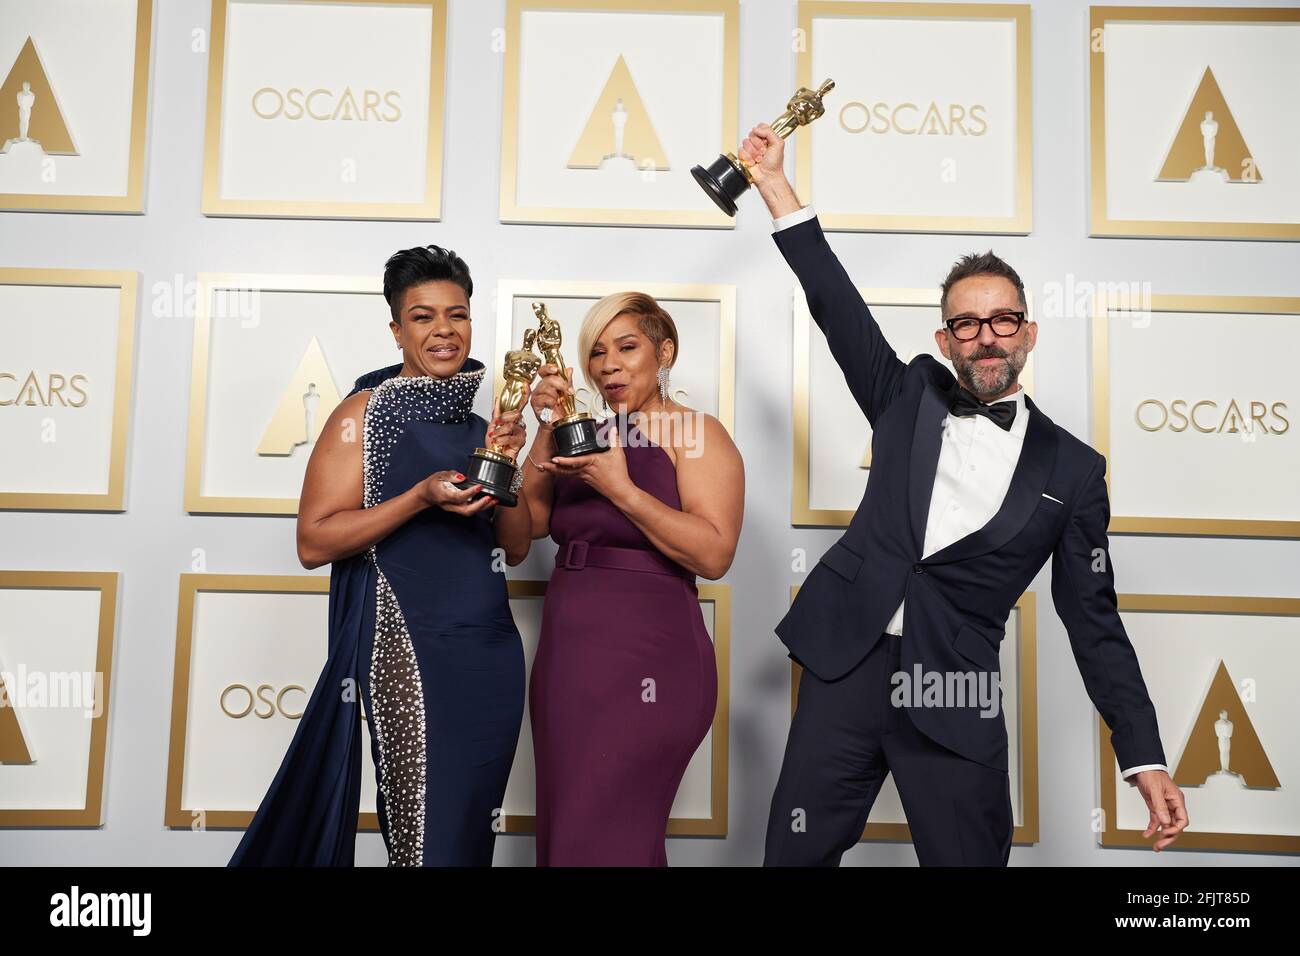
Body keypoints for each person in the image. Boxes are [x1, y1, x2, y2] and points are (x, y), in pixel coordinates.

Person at [738, 123, 1188, 866]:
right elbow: (836, 308)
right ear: (946, 341)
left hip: (956, 692)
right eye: (967, 324)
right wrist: (777, 188)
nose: (987, 337)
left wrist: (1144, 758)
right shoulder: (907, 394)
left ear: (1029, 334)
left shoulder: (1074, 473)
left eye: (1003, 320)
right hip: (846, 668)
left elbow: (1094, 622)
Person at [229, 245, 533, 866]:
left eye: (457, 314)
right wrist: (418, 497)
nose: (444, 330)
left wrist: (510, 462)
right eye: (422, 317)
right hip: (406, 651)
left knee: (470, 841)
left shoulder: (482, 427)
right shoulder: (362, 415)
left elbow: (519, 545)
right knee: (426, 843)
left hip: (491, 654)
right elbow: (314, 541)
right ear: (396, 329)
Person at [520, 291, 744, 865]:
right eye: (596, 353)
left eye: (627, 346)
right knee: (570, 833)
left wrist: (621, 489)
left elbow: (715, 554)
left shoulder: (697, 434)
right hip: (569, 657)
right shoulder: (582, 434)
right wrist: (542, 428)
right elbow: (519, 536)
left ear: (664, 351)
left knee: (612, 837)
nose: (609, 364)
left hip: (652, 658)